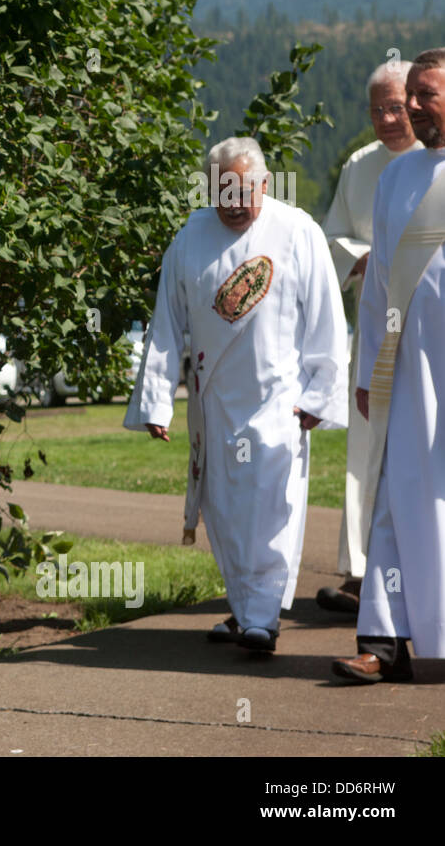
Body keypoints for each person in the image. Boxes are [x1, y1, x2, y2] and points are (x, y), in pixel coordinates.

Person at [125, 137, 348, 653]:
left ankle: (261, 620)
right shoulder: (189, 238)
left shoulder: (297, 232)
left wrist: (320, 394)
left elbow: (326, 321)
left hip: (279, 400)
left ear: (265, 185)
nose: (233, 201)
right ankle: (246, 608)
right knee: (224, 512)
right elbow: (166, 325)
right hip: (214, 405)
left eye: (243, 190)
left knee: (271, 507)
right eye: (222, 190)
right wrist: (157, 400)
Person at [332, 48, 445, 684]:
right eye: (412, 97)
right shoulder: (394, 181)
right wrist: (367, 371)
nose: (414, 108)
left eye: (427, 95)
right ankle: (383, 642)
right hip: (405, 373)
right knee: (394, 501)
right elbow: (378, 292)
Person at [317, 60, 422, 614]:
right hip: (376, 330)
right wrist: (363, 258)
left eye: (396, 107)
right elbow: (332, 236)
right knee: (367, 448)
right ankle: (362, 571)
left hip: (432, 333)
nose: (386, 118)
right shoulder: (361, 167)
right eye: (377, 109)